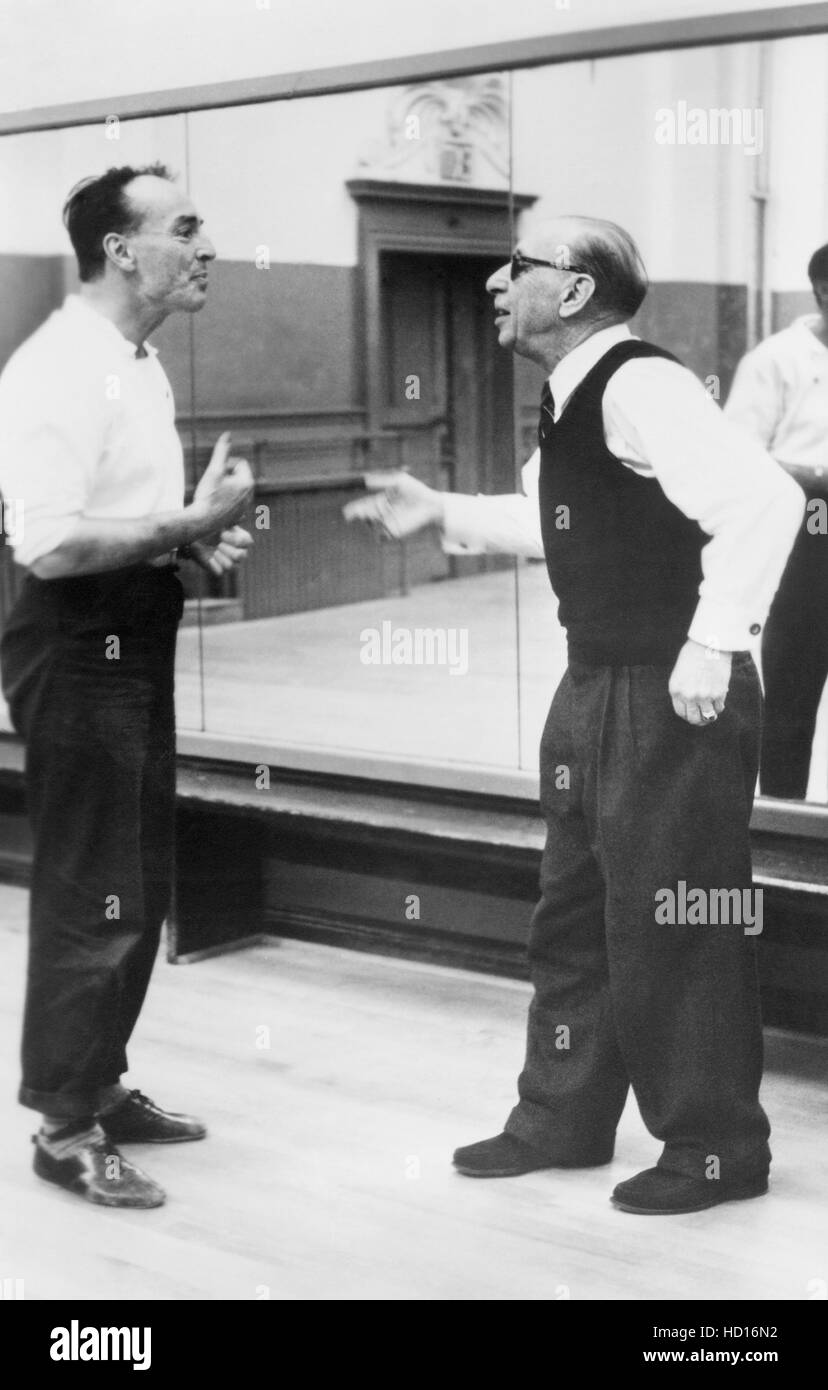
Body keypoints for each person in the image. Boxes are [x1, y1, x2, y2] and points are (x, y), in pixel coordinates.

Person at [345, 216, 804, 1215]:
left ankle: (717, 1147)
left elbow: (764, 500)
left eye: (519, 267)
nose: (496, 284)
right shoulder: (572, 400)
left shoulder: (642, 382)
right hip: (594, 685)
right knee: (575, 913)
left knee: (675, 920)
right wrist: (443, 510)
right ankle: (563, 1114)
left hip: (671, 692)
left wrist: (713, 640)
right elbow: (548, 517)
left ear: (578, 290)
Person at [0, 163, 255, 1209]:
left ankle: (100, 1084)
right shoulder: (56, 367)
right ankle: (64, 1127)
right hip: (73, 641)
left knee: (135, 877)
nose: (207, 247)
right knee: (90, 883)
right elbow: (51, 543)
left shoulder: (135, 362)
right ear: (120, 248)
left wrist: (188, 548)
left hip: (132, 633)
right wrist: (188, 527)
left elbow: (124, 522)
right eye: (186, 228)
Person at [725, 243, 828, 799]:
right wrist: (814, 475)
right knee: (791, 702)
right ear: (825, 292)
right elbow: (737, 458)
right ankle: (783, 834)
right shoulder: (775, 360)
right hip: (807, 543)